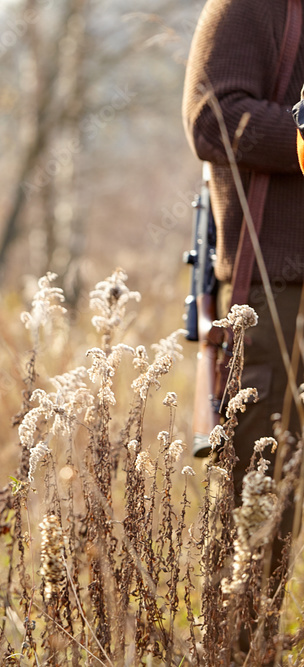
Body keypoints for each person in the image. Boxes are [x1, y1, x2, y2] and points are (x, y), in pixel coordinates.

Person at [182, 0, 304, 660]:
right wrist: (303, 136)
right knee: (255, 523)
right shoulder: (250, 6)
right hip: (277, 296)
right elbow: (210, 119)